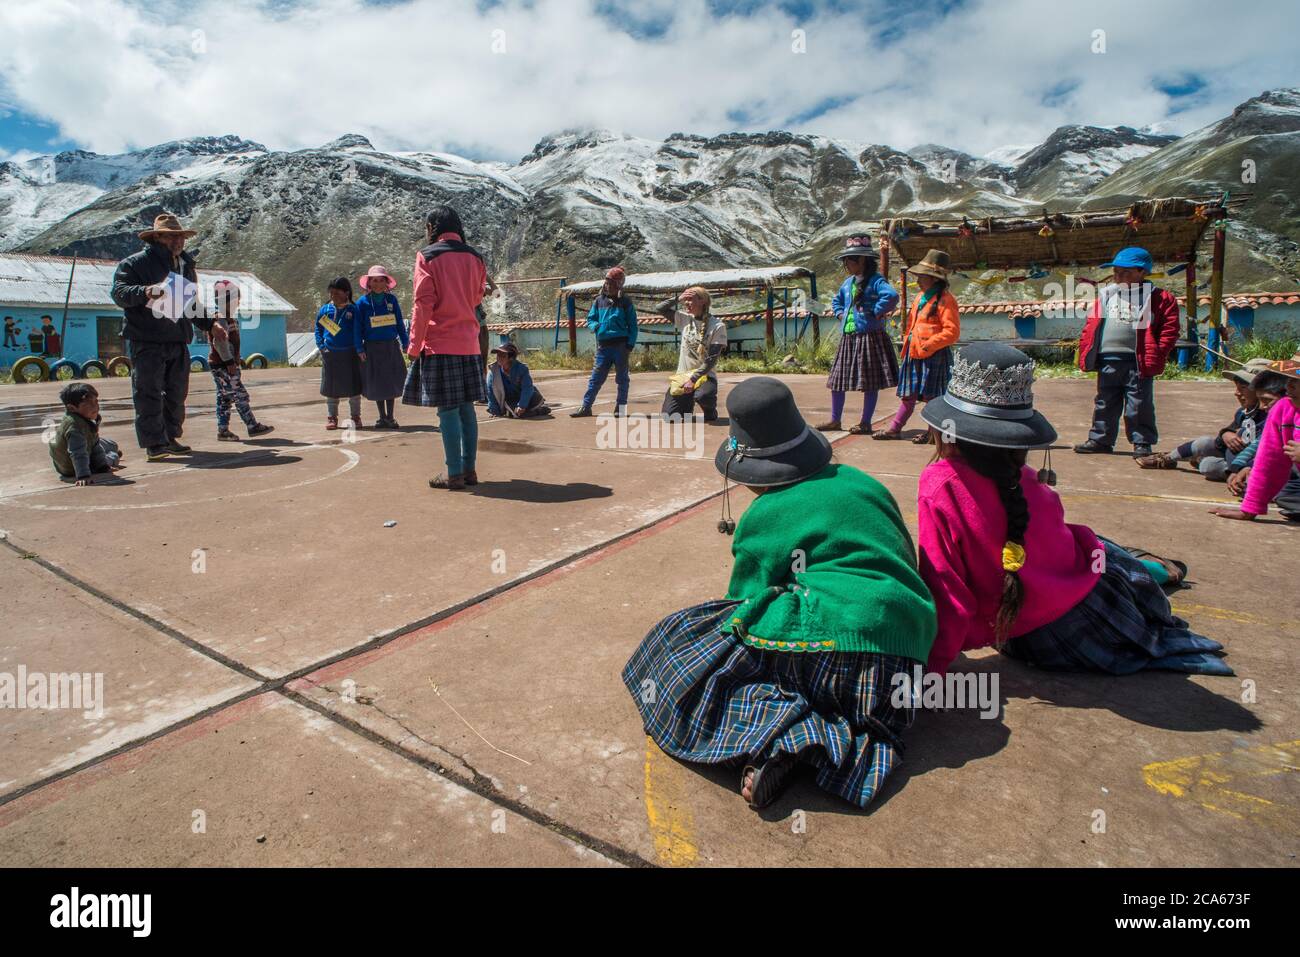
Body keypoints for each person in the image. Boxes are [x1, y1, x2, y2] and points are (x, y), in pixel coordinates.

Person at [624, 377, 937, 810]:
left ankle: (786, 733)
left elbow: (744, 608)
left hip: (836, 649)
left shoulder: (765, 515)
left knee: (680, 647)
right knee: (799, 647)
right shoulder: (865, 484)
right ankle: (824, 738)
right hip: (901, 668)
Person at [917, 343, 1232, 677]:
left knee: (1104, 551)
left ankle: (1157, 570)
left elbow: (945, 589)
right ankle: (1159, 572)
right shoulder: (1022, 477)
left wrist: (930, 666)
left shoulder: (940, 483)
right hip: (1097, 607)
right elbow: (1063, 546)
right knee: (1102, 550)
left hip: (1039, 641)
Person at [111, 213, 228, 462]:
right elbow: (120, 294)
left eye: (181, 237)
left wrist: (211, 324)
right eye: (171, 237)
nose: (177, 242)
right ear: (157, 238)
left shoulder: (186, 266)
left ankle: (171, 437)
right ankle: (154, 443)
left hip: (177, 338)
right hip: (147, 339)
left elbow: (190, 304)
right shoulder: (134, 264)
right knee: (148, 391)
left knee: (177, 392)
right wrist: (145, 291)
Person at [404, 205, 489, 491]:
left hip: (441, 343)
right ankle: (469, 469)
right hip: (470, 343)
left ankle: (453, 474)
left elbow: (423, 303)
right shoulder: (475, 257)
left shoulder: (427, 256)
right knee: (467, 409)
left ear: (432, 228)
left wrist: (414, 345)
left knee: (448, 411)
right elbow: (477, 297)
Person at [1073, 246, 1180, 458]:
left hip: (1137, 361)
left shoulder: (1160, 299)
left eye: (1126, 272)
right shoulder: (1107, 296)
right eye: (1116, 272)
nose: (1119, 276)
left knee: (1138, 404)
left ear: (1143, 272)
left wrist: (1158, 352)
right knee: (1105, 401)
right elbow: (1091, 324)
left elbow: (1170, 330)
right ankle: (1100, 439)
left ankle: (1142, 442)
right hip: (1108, 359)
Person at [873, 248, 959, 443]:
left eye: (923, 276)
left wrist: (929, 345)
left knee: (932, 397)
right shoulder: (921, 298)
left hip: (933, 355)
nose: (918, 279)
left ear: (935, 279)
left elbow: (951, 332)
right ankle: (894, 429)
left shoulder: (946, 300)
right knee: (908, 394)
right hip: (914, 353)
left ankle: (933, 433)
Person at [817, 235, 900, 434]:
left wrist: (876, 311)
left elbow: (892, 296)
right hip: (848, 337)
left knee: (869, 382)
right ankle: (835, 420)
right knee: (837, 380)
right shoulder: (848, 283)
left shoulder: (876, 281)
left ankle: (865, 422)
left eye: (849, 260)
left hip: (869, 337)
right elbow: (837, 301)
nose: (846, 264)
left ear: (861, 260)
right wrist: (840, 314)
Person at [1135, 357, 1271, 477]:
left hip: (1247, 464)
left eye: (1243, 388)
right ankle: (1168, 458)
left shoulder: (1271, 415)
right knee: (1204, 442)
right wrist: (1225, 434)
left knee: (1208, 466)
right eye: (1236, 387)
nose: (1236, 393)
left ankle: (1208, 464)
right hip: (1232, 453)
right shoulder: (1243, 412)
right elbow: (1221, 439)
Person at [1211, 351, 1300, 522]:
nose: (1290, 387)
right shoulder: (1283, 409)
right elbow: (1269, 460)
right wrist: (1250, 508)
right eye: (1288, 380)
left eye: (1297, 381)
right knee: (1284, 494)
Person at [209, 281, 273, 441]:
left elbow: (230, 343)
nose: (238, 302)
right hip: (223, 366)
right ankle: (252, 426)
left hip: (223, 364)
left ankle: (223, 430)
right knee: (240, 395)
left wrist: (236, 358)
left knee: (224, 398)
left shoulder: (229, 319)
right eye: (236, 298)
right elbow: (220, 342)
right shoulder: (221, 319)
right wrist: (230, 362)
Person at [571, 267, 638, 418]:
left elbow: (633, 326)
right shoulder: (598, 301)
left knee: (622, 379)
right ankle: (586, 407)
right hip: (603, 346)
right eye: (606, 282)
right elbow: (591, 318)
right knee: (596, 378)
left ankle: (620, 408)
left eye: (611, 283)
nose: (608, 286)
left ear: (619, 284)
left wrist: (630, 345)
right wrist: (597, 327)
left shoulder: (625, 302)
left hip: (621, 346)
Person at [656, 286, 727, 422]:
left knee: (703, 396)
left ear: (702, 302)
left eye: (690, 299)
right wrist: (678, 299)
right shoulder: (684, 319)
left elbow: (711, 359)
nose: (686, 303)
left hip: (704, 377)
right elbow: (659, 308)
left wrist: (693, 380)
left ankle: (710, 410)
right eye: (685, 300)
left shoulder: (718, 326)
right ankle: (687, 404)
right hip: (683, 376)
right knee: (670, 417)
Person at [355, 265, 409, 429]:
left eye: (381, 280)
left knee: (390, 381)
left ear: (386, 283)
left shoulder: (391, 300)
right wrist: (359, 348)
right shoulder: (362, 303)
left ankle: (391, 417)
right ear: (369, 283)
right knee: (377, 382)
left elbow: (399, 322)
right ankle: (382, 417)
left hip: (390, 346)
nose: (378, 284)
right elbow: (357, 327)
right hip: (371, 347)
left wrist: (406, 342)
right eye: (374, 280)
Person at [1225, 373, 1288, 497]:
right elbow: (1260, 446)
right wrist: (1239, 468)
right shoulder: (1245, 413)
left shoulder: (1278, 418)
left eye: (1267, 400)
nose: (1262, 406)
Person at [48, 383, 123, 486]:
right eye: (87, 404)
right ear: (72, 408)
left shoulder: (80, 418)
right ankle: (110, 455)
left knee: (112, 444)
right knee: (113, 456)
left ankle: (109, 451)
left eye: (96, 401)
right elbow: (78, 453)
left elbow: (95, 444)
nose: (95, 407)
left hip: (81, 451)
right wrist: (84, 475)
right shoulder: (74, 427)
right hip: (73, 468)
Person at [316, 278, 363, 430]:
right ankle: (332, 417)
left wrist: (359, 349)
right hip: (330, 354)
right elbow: (319, 329)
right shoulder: (325, 310)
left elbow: (357, 331)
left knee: (354, 388)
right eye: (331, 293)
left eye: (337, 293)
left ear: (346, 293)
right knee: (332, 388)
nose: (333, 295)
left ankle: (355, 417)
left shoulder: (353, 310)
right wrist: (322, 347)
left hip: (350, 353)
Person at [486, 343, 549, 418]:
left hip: (527, 398)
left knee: (533, 401)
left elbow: (527, 388)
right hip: (509, 401)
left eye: (503, 355)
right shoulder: (493, 372)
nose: (499, 358)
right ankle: (538, 411)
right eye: (498, 355)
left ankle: (537, 411)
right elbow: (490, 392)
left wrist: (522, 405)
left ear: (511, 358)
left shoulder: (522, 369)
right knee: (516, 414)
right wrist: (494, 411)